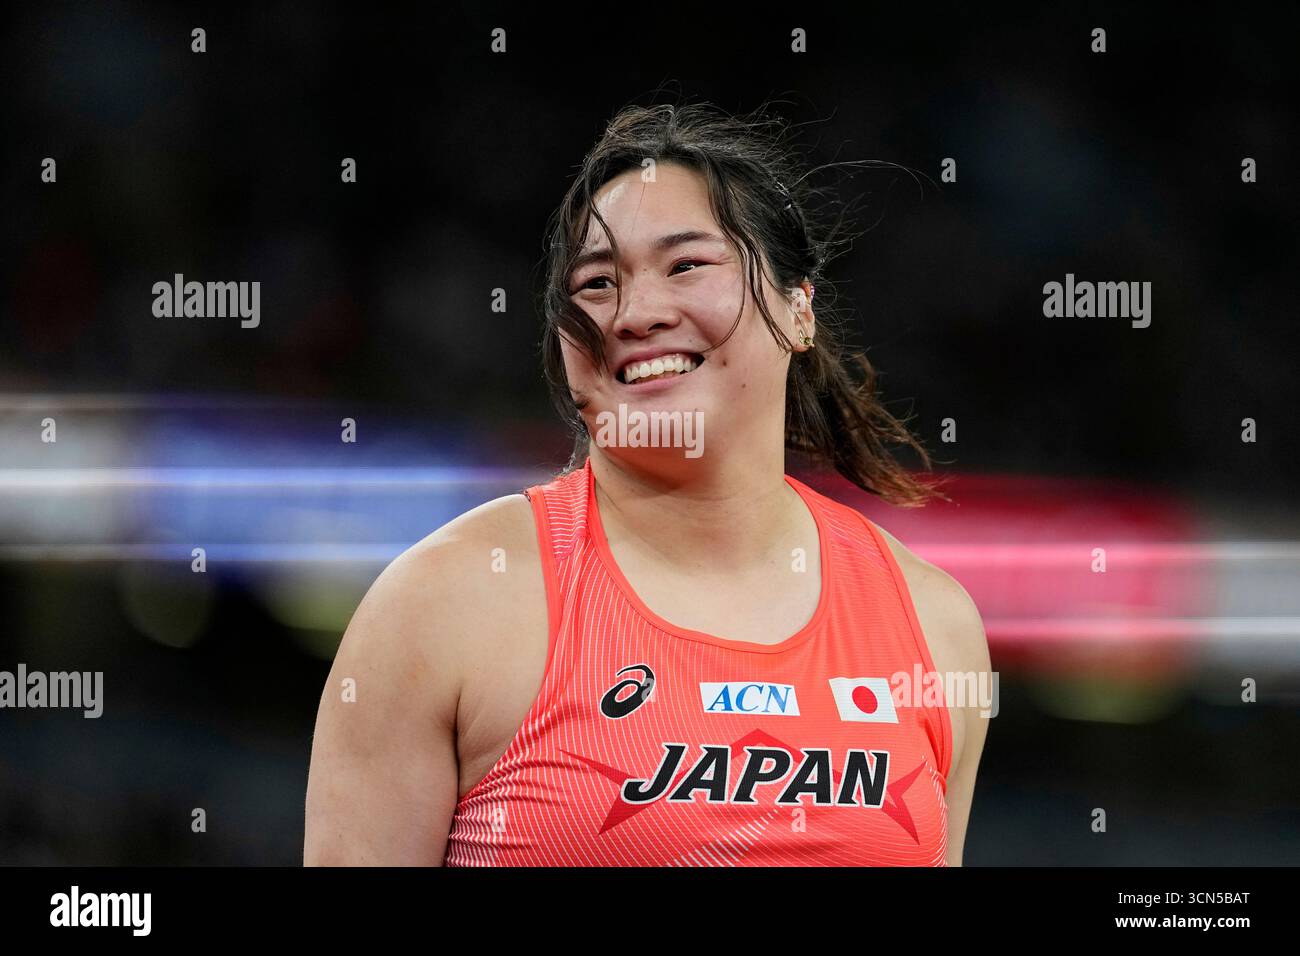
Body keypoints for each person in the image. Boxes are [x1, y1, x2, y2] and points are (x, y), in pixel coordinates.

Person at [304, 101, 991, 866]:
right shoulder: (445, 604)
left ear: (800, 310)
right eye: (597, 283)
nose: (635, 313)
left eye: (687, 265)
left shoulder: (934, 629)